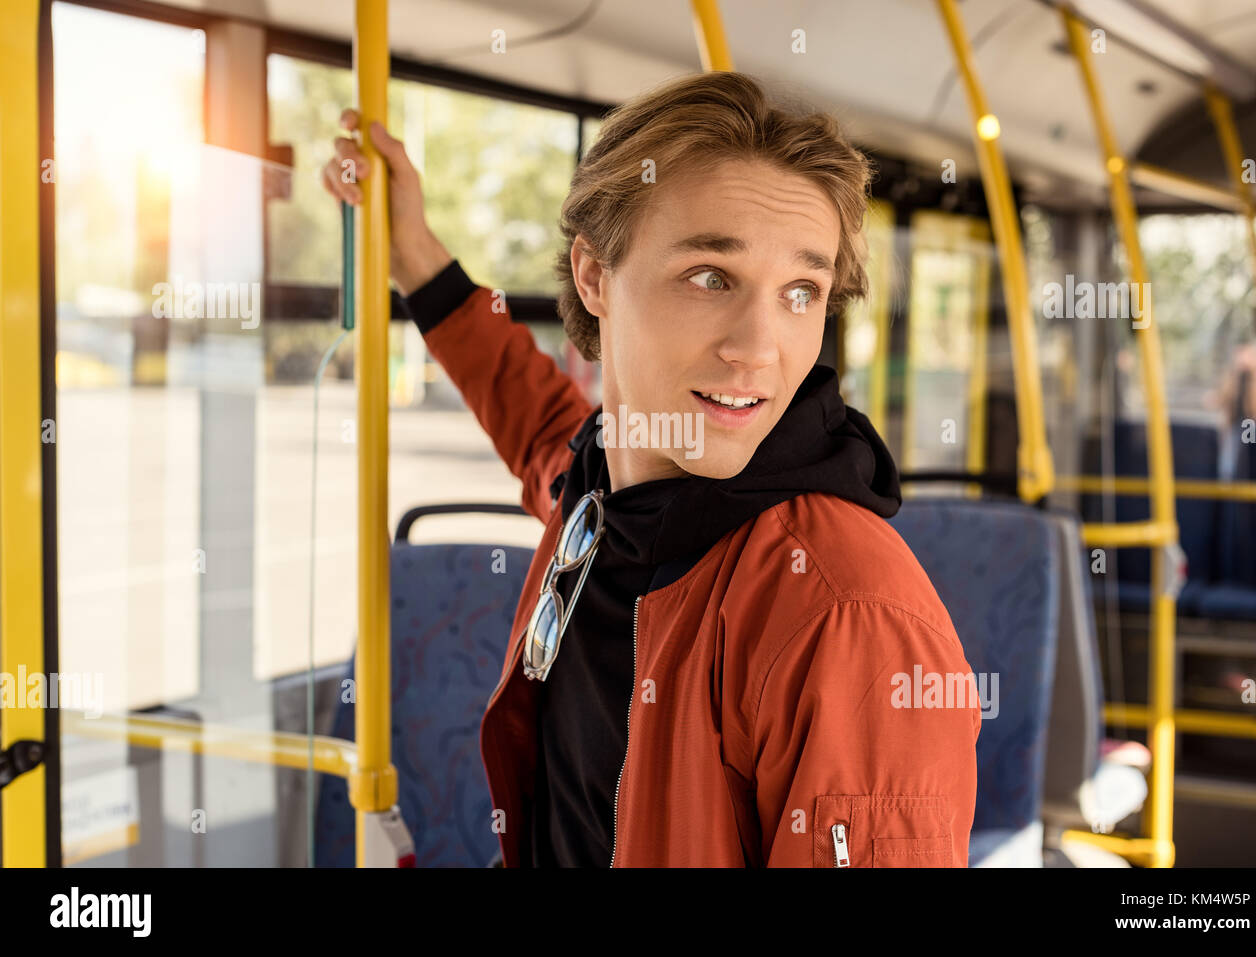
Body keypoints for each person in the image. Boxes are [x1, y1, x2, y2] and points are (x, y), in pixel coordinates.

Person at [322, 71, 980, 867]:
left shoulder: (850, 619)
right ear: (595, 276)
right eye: (711, 277)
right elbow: (537, 421)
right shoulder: (603, 493)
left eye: (801, 291)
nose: (758, 348)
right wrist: (414, 255)